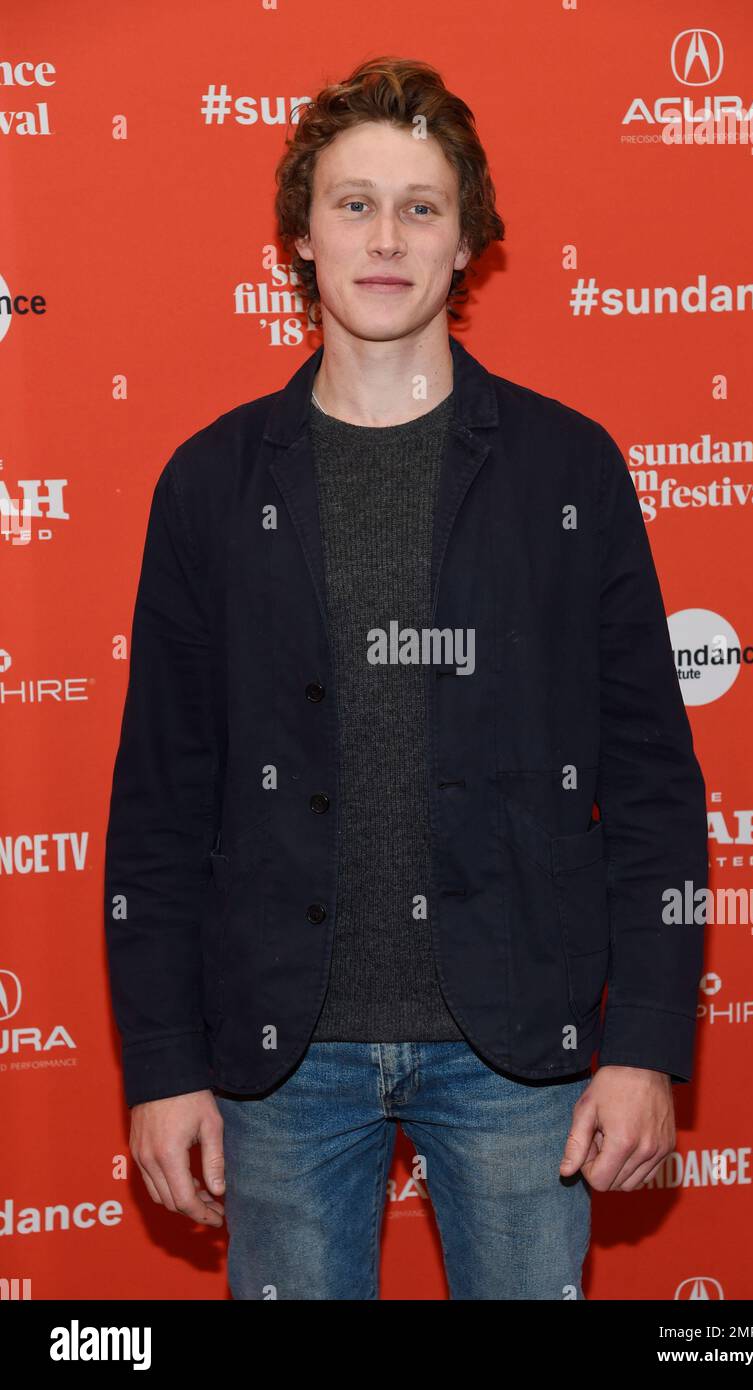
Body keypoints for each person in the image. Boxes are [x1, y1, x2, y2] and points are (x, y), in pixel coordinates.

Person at [104, 55, 708, 1300]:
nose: (386, 238)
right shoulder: (209, 485)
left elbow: (652, 776)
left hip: (519, 1053)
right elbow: (161, 800)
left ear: (467, 239)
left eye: (420, 206)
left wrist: (645, 1041)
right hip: (281, 1058)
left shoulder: (567, 471)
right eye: (353, 202)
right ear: (300, 236)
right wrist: (163, 1063)